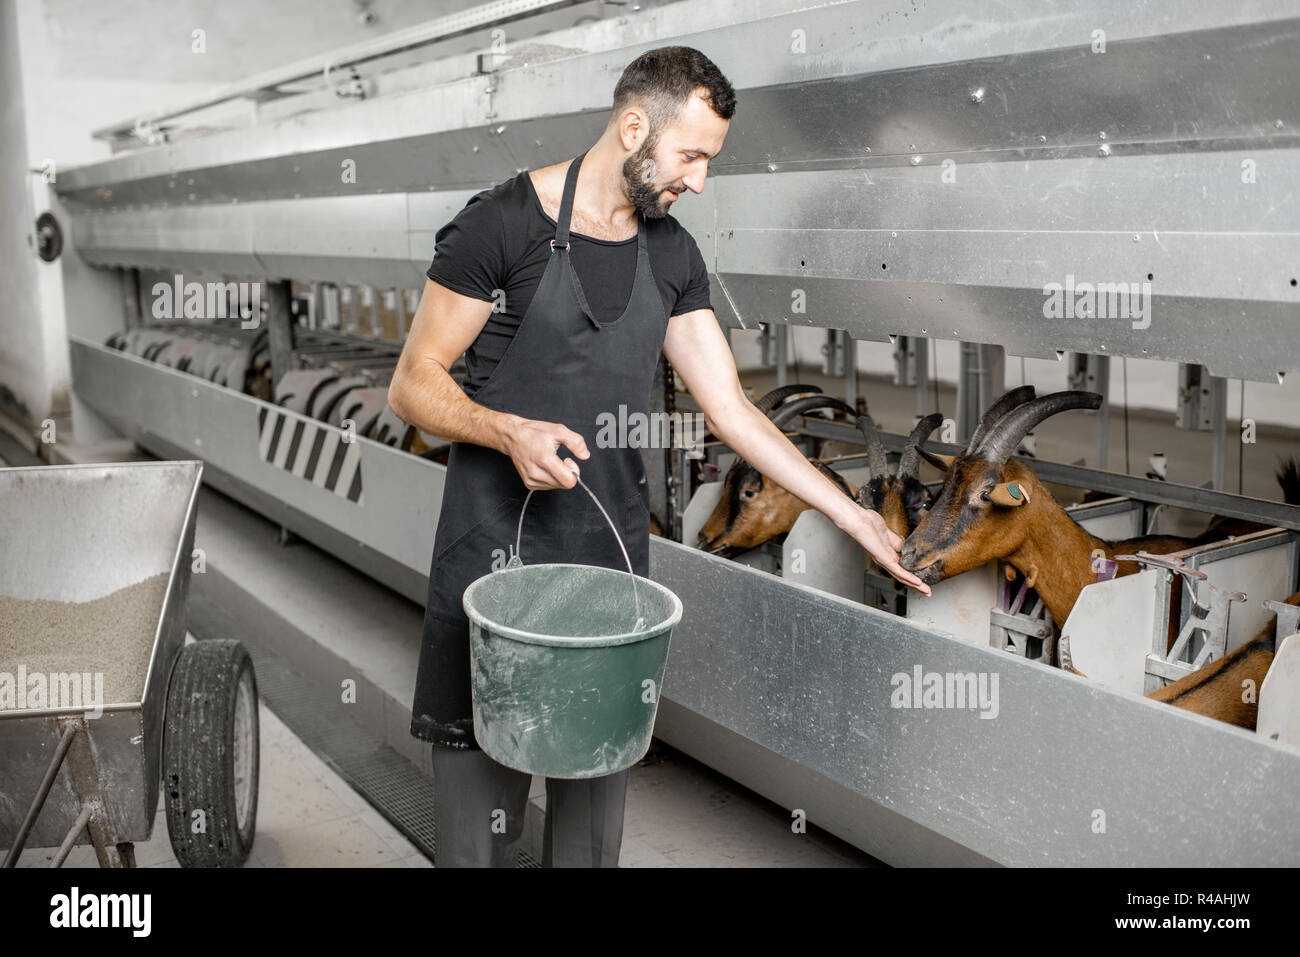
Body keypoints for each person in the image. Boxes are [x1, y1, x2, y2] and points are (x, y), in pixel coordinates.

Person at [388, 45, 930, 868]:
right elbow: (411, 385)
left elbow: (734, 410)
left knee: (591, 830)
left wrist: (850, 512)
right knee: (478, 835)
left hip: (608, 571)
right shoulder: (499, 225)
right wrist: (508, 431)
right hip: (490, 570)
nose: (699, 181)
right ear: (634, 126)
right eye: (692, 156)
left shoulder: (670, 254)